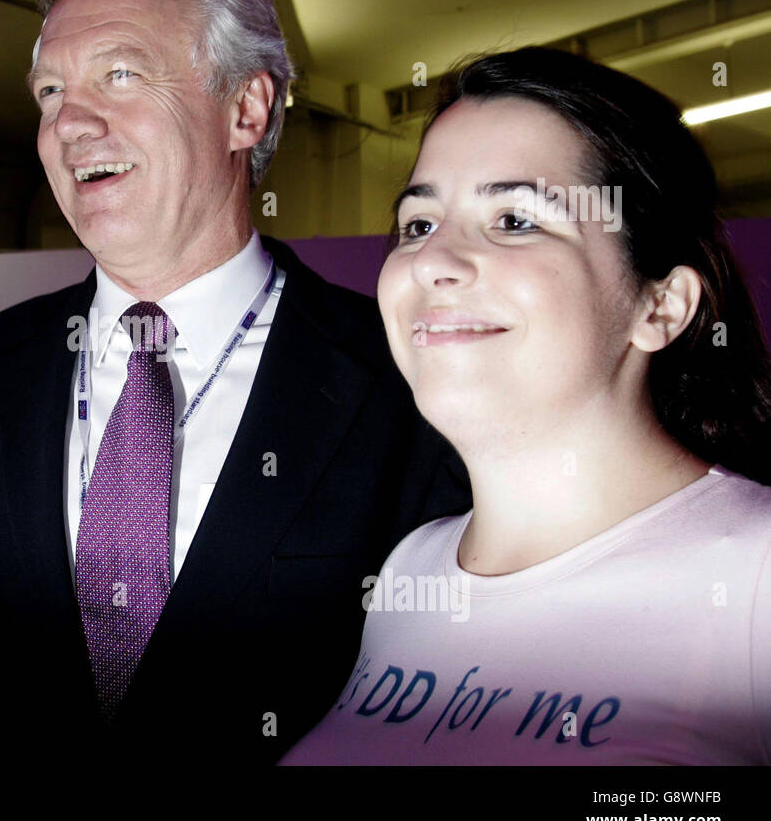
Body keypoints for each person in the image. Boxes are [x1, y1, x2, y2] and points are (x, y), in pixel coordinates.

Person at [0, 0, 469, 764]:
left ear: (246, 108)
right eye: (51, 94)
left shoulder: (406, 375)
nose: (70, 125)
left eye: (122, 74)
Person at [282, 47, 771, 765]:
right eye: (418, 225)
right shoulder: (411, 571)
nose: (432, 261)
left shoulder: (756, 573)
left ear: (660, 306)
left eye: (514, 220)